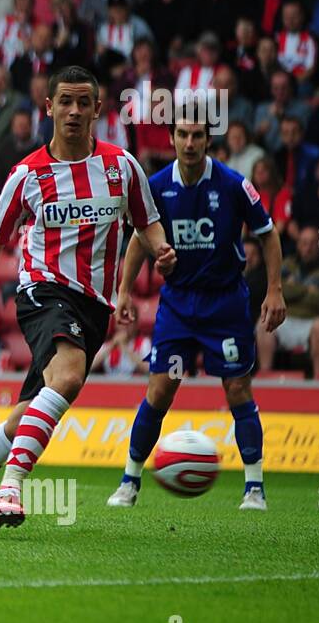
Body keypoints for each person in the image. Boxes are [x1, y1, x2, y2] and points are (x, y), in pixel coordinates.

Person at [0, 66, 175, 533]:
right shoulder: (27, 175)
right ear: (48, 108)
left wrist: (161, 248)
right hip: (42, 292)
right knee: (65, 377)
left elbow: (145, 220)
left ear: (97, 110)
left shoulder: (122, 167)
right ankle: (10, 489)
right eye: (64, 101)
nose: (73, 111)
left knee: (20, 423)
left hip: (95, 307)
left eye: (83, 102)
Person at [110, 122, 287, 510]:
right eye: (182, 135)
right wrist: (124, 291)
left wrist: (274, 289)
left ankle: (254, 488)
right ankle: (129, 481)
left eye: (197, 136)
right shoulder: (155, 186)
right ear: (172, 138)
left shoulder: (233, 184)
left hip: (224, 304)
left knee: (237, 389)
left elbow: (268, 234)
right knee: (160, 389)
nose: (189, 143)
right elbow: (140, 238)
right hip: (178, 305)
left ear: (209, 140)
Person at [257, 225, 319, 379]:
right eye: (304, 243)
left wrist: (295, 288)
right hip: (289, 318)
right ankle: (266, 376)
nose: (307, 248)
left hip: (318, 319)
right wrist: (308, 289)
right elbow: (279, 291)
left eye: (312, 243)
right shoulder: (287, 264)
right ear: (298, 245)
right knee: (264, 322)